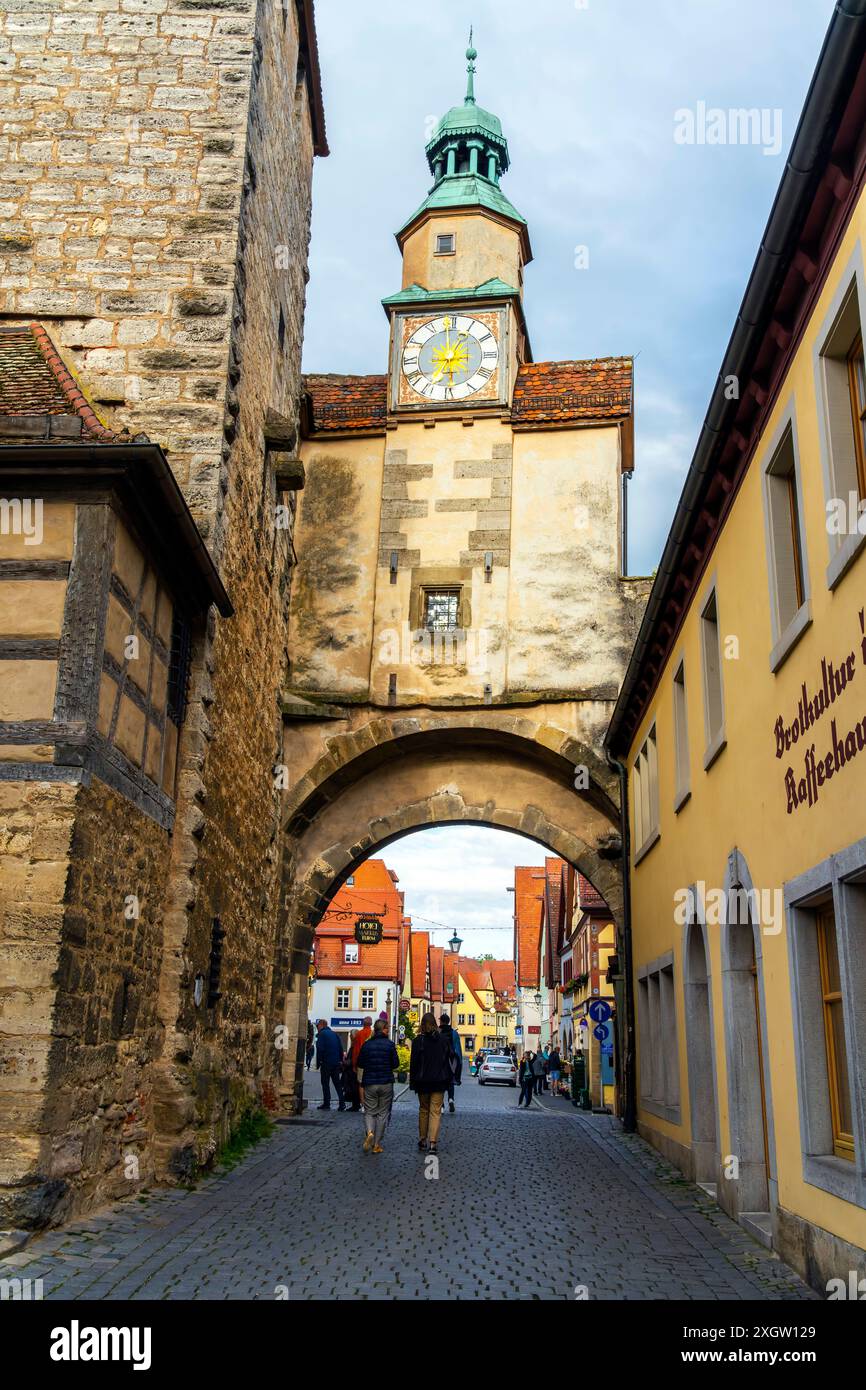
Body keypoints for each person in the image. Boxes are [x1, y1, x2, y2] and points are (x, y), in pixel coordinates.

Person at [409, 1012, 452, 1153]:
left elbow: (413, 1064)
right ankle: (433, 1143)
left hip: (422, 1082)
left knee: (423, 1110)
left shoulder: (417, 1041)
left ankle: (422, 1140)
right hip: (439, 1081)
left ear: (422, 1025)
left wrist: (412, 1081)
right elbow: (449, 1059)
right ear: (435, 1023)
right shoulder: (443, 1040)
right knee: (435, 1112)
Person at [356, 1018, 399, 1154]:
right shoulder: (390, 1045)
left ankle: (369, 1132)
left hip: (370, 1083)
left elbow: (360, 1063)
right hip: (385, 1082)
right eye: (387, 1028)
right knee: (382, 1114)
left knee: (369, 1111)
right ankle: (376, 1145)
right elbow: (396, 1064)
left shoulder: (367, 1045)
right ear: (384, 1029)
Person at [315, 1018, 345, 1111]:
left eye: (317, 1026)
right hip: (335, 1063)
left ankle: (327, 1103)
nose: (317, 1028)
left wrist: (319, 1062)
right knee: (337, 1084)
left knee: (325, 1083)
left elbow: (320, 1049)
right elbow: (340, 1048)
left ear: (321, 1025)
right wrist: (340, 1060)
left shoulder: (322, 1034)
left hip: (326, 1062)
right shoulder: (334, 1034)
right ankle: (342, 1103)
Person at [438, 1012, 462, 1114]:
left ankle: (442, 1106)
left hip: (440, 1061)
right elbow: (458, 1049)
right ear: (448, 1022)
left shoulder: (438, 1032)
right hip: (451, 1061)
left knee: (440, 1084)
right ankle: (451, 1099)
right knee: (450, 1081)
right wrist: (459, 1063)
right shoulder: (454, 1033)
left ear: (441, 1021)